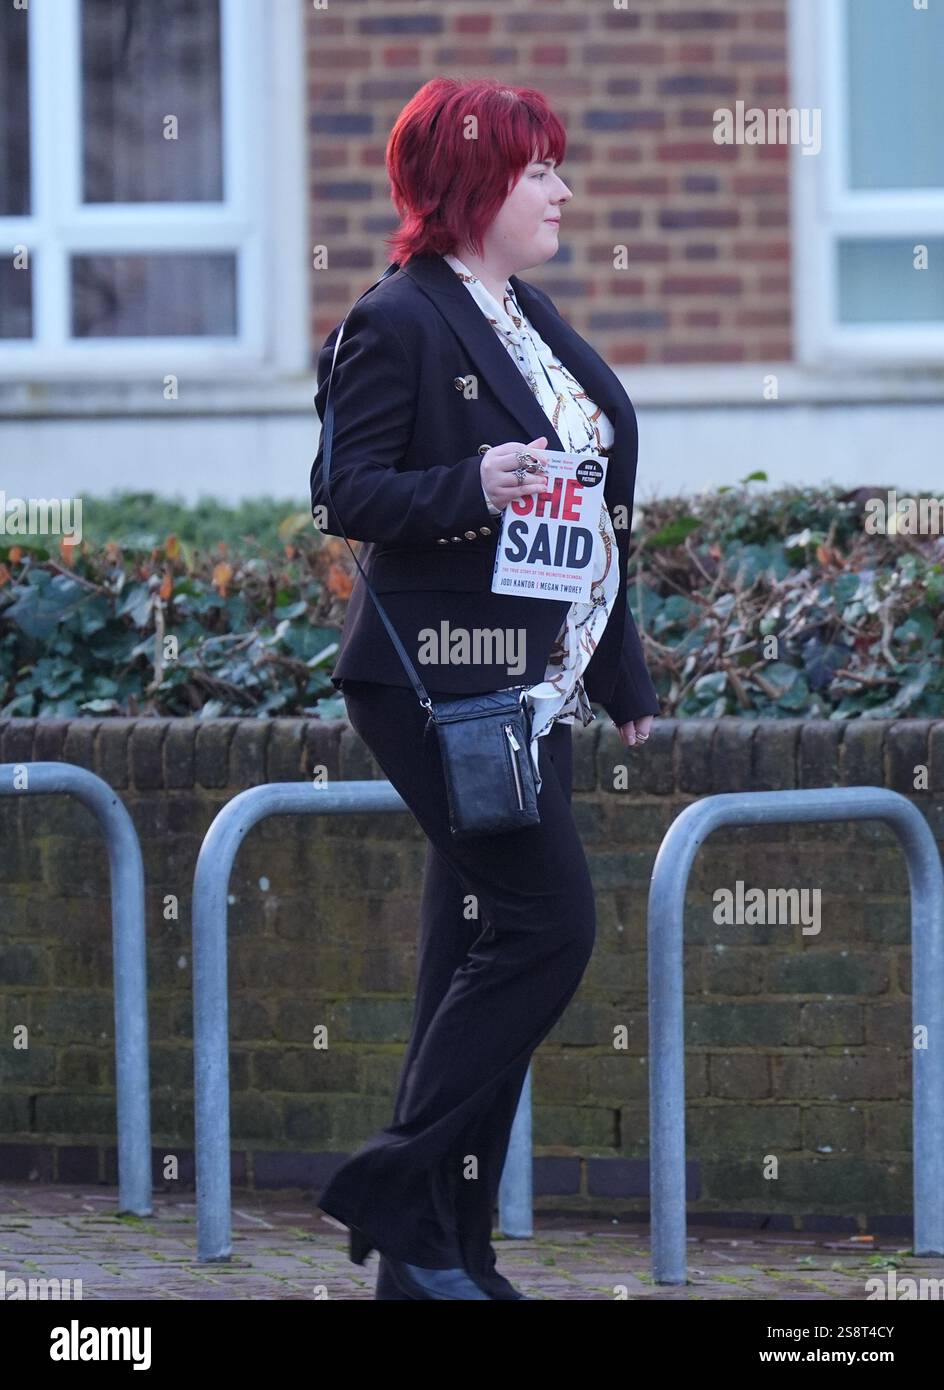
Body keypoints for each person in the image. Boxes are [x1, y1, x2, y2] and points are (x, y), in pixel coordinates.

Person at [309, 77, 660, 1301]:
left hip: (530, 690)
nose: (562, 191)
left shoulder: (521, 312)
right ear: (471, 187)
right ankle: (395, 1186)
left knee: (469, 954)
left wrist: (614, 667)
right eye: (538, 172)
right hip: (437, 687)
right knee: (547, 926)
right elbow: (346, 494)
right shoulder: (398, 318)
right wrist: (474, 481)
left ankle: (439, 1263)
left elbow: (590, 498)